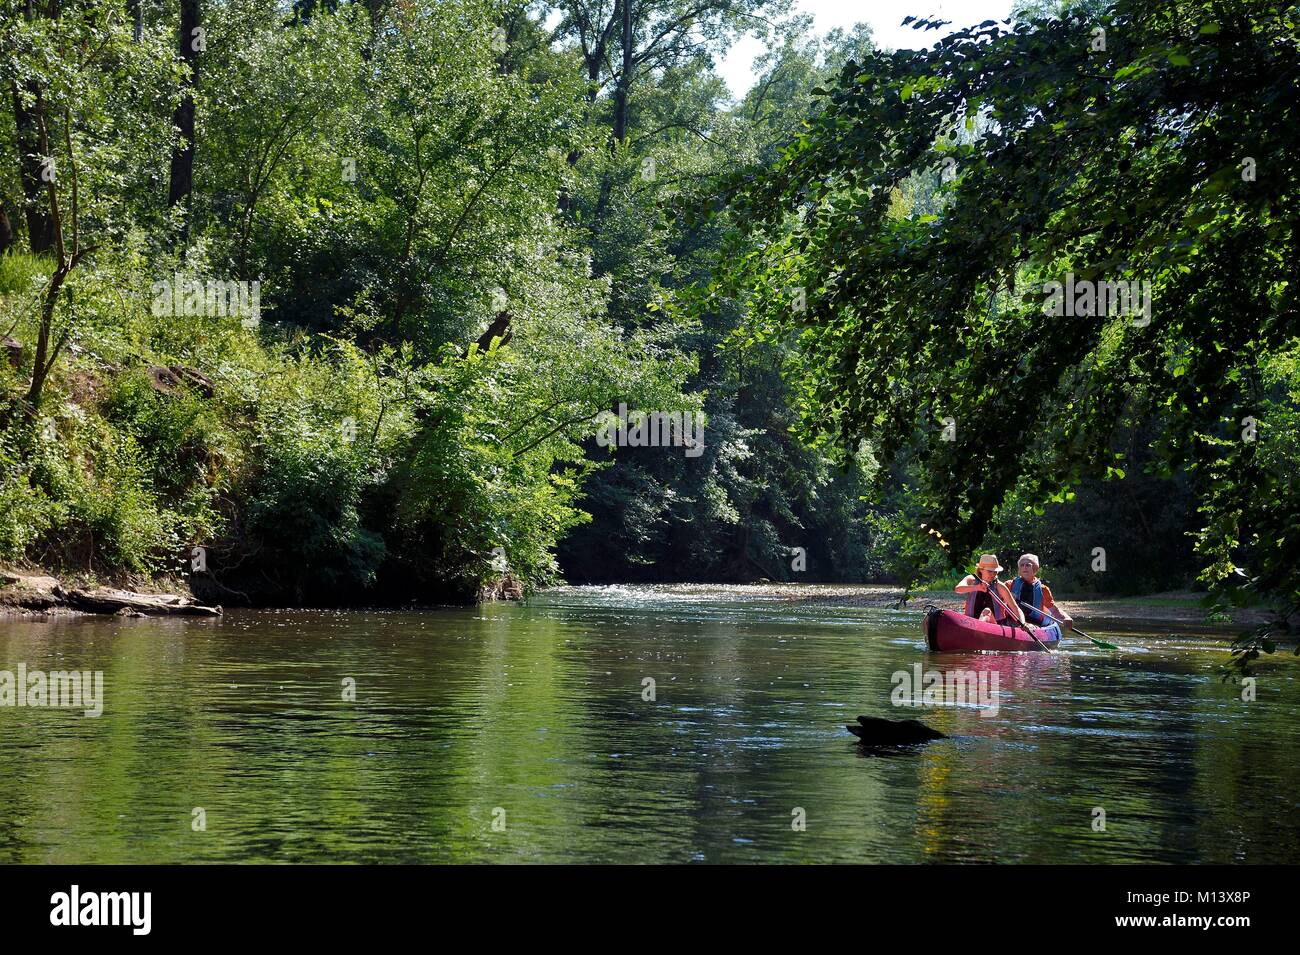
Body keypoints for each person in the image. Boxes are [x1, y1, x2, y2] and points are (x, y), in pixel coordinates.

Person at [954, 554, 1025, 625]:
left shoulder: (999, 586)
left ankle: (977, 628)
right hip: (971, 622)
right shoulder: (971, 579)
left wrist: (1023, 623)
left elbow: (1015, 607)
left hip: (996, 624)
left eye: (995, 571)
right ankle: (976, 628)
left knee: (987, 611)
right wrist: (977, 587)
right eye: (990, 571)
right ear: (981, 569)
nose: (993, 574)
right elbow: (958, 589)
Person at [1009, 554, 1073, 630]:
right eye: (1022, 565)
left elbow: (1053, 610)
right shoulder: (1009, 585)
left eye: (1028, 565)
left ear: (1035, 569)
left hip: (1034, 622)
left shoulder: (1043, 589)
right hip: (1014, 620)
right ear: (1019, 569)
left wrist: (1066, 617)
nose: (1024, 567)